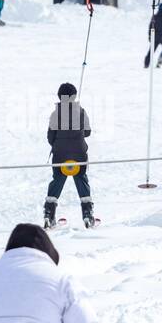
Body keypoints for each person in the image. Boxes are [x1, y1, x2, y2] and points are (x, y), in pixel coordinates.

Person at [45, 82, 95, 228]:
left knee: (58, 180)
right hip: (79, 153)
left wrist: (59, 144)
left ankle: (49, 214)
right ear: (74, 96)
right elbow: (87, 132)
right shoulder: (81, 111)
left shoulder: (55, 114)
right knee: (81, 178)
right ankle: (87, 215)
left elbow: (50, 137)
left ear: (60, 97)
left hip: (60, 154)